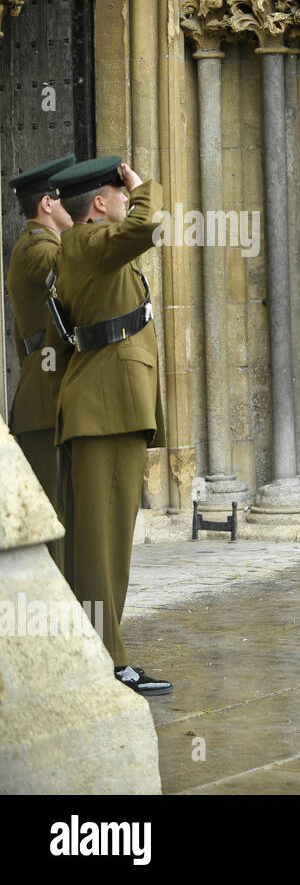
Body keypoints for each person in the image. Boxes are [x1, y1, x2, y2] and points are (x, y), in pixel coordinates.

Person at [48, 156, 170, 694]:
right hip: (106, 407)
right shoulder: (87, 243)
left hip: (106, 406)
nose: (127, 200)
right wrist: (146, 189)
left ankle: (88, 650)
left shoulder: (90, 248)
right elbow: (145, 225)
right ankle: (107, 660)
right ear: (101, 202)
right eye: (119, 194)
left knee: (101, 542)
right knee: (102, 546)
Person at [5, 154, 75, 572]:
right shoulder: (36, 248)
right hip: (46, 399)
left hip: (51, 397)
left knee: (60, 517)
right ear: (47, 203)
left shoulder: (41, 244)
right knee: (52, 521)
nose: (77, 206)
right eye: (69, 199)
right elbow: (80, 269)